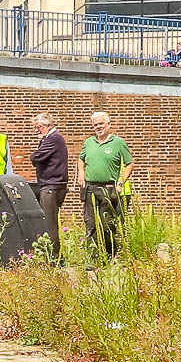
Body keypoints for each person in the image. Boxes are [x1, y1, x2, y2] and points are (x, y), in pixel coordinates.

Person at [79, 111, 134, 261]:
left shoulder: (118, 142)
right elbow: (81, 159)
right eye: (95, 125)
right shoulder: (89, 142)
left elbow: (130, 163)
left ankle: (109, 256)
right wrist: (81, 173)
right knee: (90, 223)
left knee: (107, 224)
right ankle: (93, 258)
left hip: (108, 188)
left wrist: (121, 182)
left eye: (101, 124)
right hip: (90, 188)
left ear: (108, 124)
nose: (98, 127)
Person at [28, 113, 67, 260]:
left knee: (49, 222)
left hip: (52, 185)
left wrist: (34, 157)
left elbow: (37, 157)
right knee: (49, 221)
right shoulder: (50, 139)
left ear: (47, 126)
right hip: (51, 184)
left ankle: (54, 257)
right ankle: (53, 255)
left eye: (39, 127)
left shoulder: (53, 138)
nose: (37, 130)